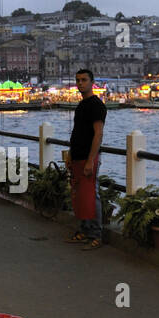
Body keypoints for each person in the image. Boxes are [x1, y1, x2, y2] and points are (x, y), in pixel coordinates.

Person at [66, 68, 107, 251]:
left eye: (83, 80)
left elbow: (98, 134)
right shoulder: (82, 105)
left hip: (88, 157)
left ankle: (96, 235)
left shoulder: (96, 105)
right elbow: (77, 133)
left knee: (91, 196)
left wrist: (91, 160)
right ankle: (83, 231)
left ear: (92, 82)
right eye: (78, 80)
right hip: (77, 155)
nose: (80, 83)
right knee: (80, 196)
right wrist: (70, 153)